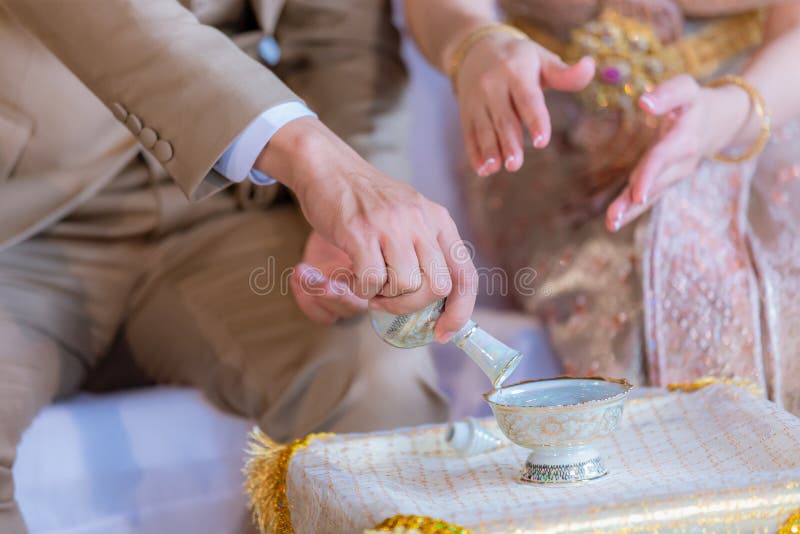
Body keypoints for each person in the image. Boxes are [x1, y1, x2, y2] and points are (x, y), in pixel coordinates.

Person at [0, 0, 479, 531]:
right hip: (22, 215)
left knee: (379, 391)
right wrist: (315, 160)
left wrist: (349, 230)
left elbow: (338, 40)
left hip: (227, 207)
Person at [405, 0, 800, 413]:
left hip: (762, 106)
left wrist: (730, 114)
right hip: (562, 144)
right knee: (671, 280)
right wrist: (475, 43)